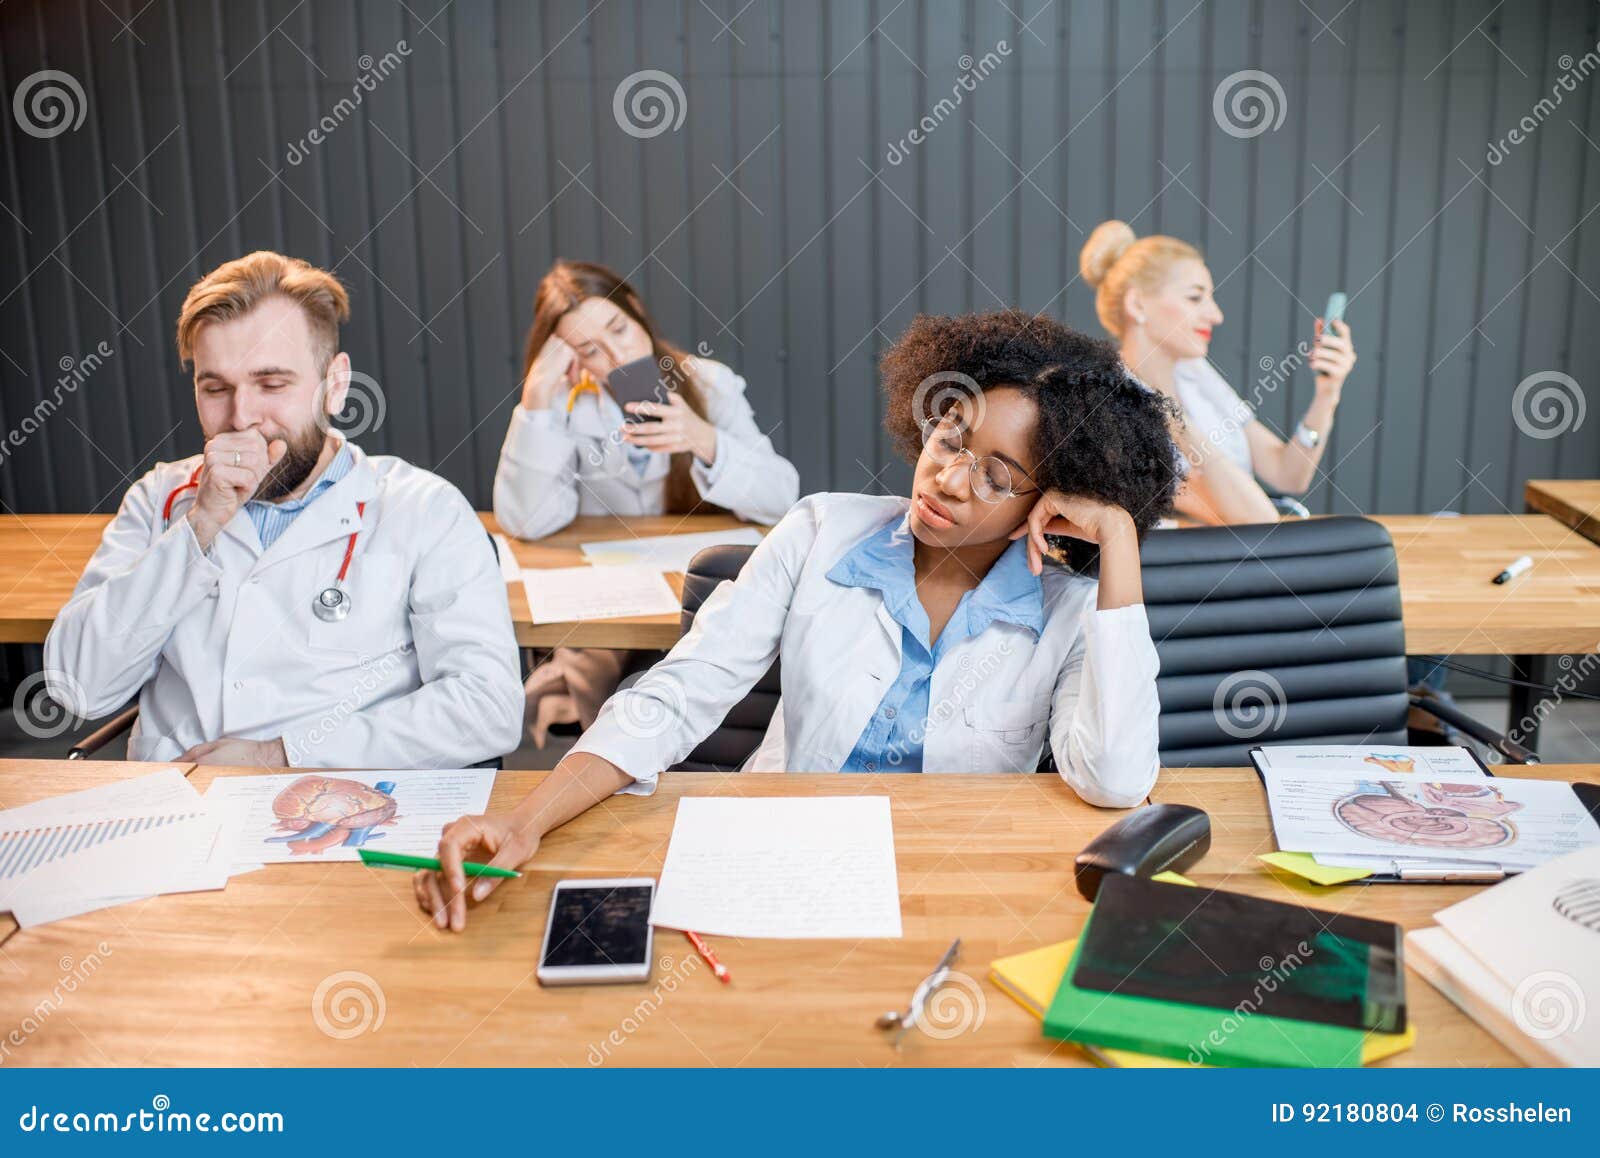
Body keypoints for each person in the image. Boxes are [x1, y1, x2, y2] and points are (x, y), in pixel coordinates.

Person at [418, 308, 1183, 930]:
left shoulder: (1071, 610)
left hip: (953, 891)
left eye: (994, 473)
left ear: (1048, 500)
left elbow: (1116, 781)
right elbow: (677, 695)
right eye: (950, 437)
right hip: (778, 866)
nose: (947, 477)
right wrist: (528, 820)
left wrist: (1118, 539)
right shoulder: (820, 529)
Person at [44, 251, 524, 768]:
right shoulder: (159, 500)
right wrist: (199, 526)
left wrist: (284, 755)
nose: (242, 417)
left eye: (271, 384)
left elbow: (486, 707)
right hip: (176, 809)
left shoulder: (423, 509)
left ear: (335, 385)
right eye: (215, 388)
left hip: (348, 809)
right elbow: (78, 690)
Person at [493, 260, 800, 743]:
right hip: (610, 606)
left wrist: (705, 440)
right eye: (590, 348)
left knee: (689, 693)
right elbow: (526, 522)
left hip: (697, 596)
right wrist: (536, 405)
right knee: (627, 709)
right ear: (567, 357)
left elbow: (782, 497)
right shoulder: (561, 404)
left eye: (619, 328)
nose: (616, 354)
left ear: (636, 310)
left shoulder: (708, 383)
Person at [1079, 221, 1357, 525]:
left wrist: (1328, 395)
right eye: (1195, 297)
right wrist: (1173, 415)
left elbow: (1288, 474)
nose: (1216, 315)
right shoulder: (1111, 403)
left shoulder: (1195, 374)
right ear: (1137, 303)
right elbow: (1257, 519)